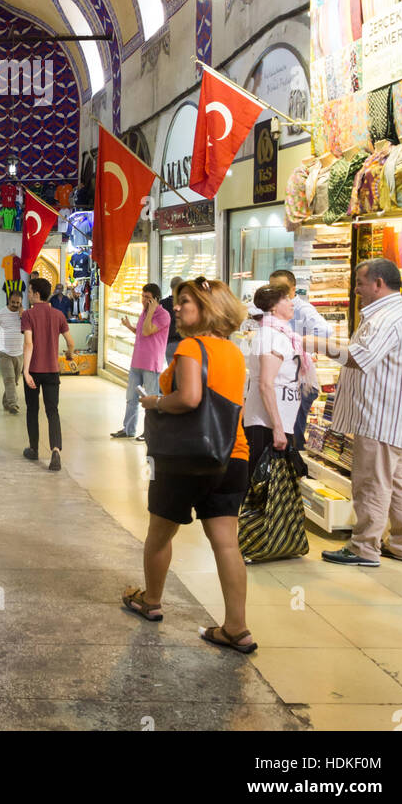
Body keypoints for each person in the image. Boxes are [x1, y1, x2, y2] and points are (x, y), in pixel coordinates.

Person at [123, 278, 256, 654]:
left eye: (185, 303)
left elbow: (191, 398)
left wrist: (155, 403)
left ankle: (151, 601)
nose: (177, 308)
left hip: (185, 461)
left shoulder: (191, 347)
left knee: (160, 535)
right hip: (233, 456)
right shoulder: (232, 351)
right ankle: (236, 627)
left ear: (208, 309)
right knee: (227, 544)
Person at [322, 258, 402, 566]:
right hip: (398, 418)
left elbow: (359, 357)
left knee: (372, 483)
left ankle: (364, 548)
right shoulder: (399, 312)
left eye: (360, 283)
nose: (356, 290)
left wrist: (318, 344)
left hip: (380, 416)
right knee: (399, 482)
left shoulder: (387, 317)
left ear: (378, 284)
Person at [244, 283, 313, 470]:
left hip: (278, 422)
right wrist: (277, 428)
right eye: (286, 299)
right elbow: (266, 384)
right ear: (273, 307)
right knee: (263, 487)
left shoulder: (283, 334)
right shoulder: (269, 335)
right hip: (265, 425)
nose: (292, 303)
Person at [269, 268, 332, 448]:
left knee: (293, 434)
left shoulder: (302, 309)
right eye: (273, 288)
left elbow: (325, 330)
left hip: (300, 382)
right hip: (285, 381)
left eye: (282, 288)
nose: (277, 292)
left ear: (293, 289)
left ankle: (295, 470)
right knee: (287, 432)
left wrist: (303, 349)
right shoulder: (275, 309)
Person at [21, 276, 75, 471]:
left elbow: (28, 343)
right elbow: (70, 342)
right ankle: (55, 451)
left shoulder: (28, 315)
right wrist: (69, 355)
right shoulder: (58, 315)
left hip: (34, 370)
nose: (28, 295)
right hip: (52, 371)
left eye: (29, 291)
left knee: (32, 410)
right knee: (53, 411)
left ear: (36, 294)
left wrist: (26, 372)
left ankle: (34, 449)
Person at [110, 282, 170, 440]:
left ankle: (151, 432)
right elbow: (141, 333)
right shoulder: (144, 313)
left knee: (151, 398)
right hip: (137, 362)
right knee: (131, 397)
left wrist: (151, 311)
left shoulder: (163, 315)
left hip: (152, 363)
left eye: (147, 298)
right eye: (142, 297)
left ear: (156, 299)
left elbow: (147, 330)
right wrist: (130, 326)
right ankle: (128, 429)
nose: (143, 300)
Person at [0, 289, 25, 413]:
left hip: (19, 352)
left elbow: (29, 330)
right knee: (9, 379)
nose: (15, 305)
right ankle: (13, 404)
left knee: (14, 380)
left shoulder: (24, 315)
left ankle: (6, 401)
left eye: (18, 303)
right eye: (13, 302)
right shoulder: (0, 314)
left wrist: (22, 316)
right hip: (4, 352)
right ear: (8, 301)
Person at [162, 276, 184, 364]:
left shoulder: (162, 303)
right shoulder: (184, 304)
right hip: (182, 343)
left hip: (168, 343)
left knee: (172, 373)